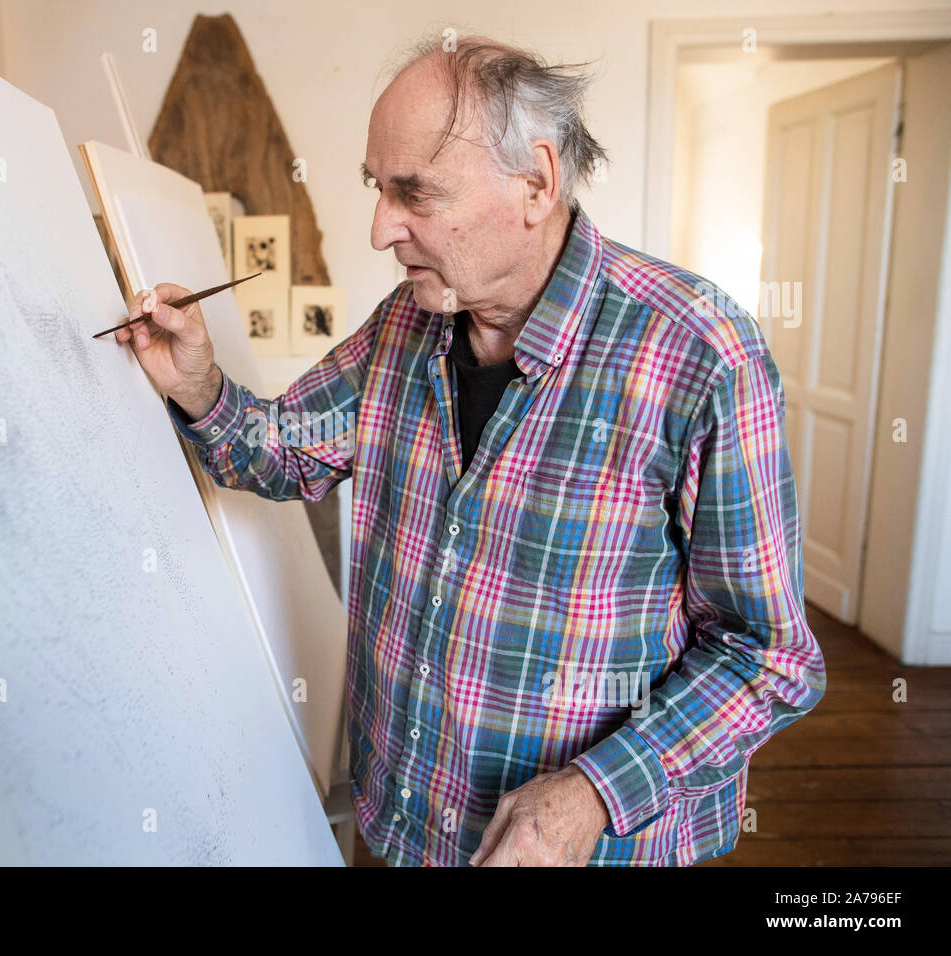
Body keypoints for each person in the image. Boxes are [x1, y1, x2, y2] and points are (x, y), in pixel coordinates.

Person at [112, 36, 826, 866]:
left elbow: (766, 658)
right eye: (378, 189)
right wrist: (197, 383)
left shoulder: (699, 351)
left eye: (415, 192)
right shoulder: (404, 324)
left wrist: (595, 794)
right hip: (403, 833)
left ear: (537, 182)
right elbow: (280, 454)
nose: (382, 228)